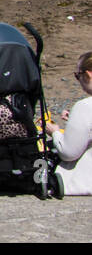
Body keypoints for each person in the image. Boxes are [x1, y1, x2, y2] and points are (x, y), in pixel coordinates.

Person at [44, 52, 92, 195]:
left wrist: (55, 132)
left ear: (88, 74)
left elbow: (68, 152)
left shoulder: (85, 106)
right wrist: (74, 120)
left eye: (78, 76)